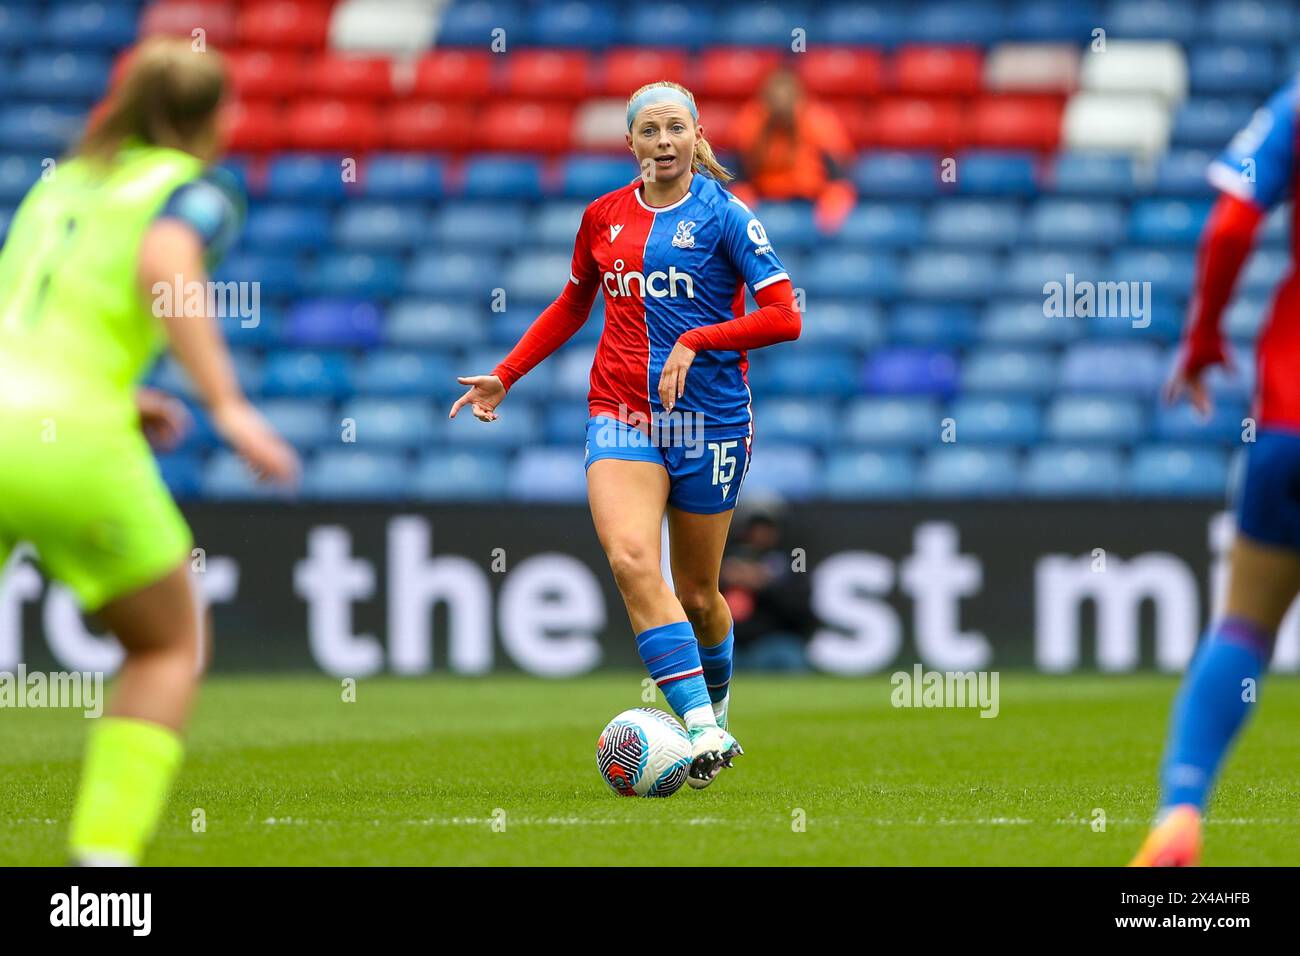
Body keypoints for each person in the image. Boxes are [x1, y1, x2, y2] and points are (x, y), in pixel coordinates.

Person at [0, 38, 300, 866]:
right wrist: (231, 409)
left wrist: (125, 391)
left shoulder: (66, 184)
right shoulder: (190, 192)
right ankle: (102, 866)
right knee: (167, 644)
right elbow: (164, 260)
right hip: (67, 442)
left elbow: (32, 313)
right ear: (217, 117)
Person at [450, 80, 801, 788]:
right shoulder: (602, 217)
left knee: (699, 594)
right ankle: (700, 730)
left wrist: (698, 339)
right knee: (633, 556)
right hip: (622, 413)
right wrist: (507, 373)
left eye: (676, 128)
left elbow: (784, 316)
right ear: (631, 141)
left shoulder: (727, 216)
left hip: (710, 421)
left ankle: (716, 714)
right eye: (650, 130)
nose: (664, 142)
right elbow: (575, 299)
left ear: (697, 135)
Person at [1131, 77, 1300, 866]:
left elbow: (1232, 224)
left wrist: (1201, 339)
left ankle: (1181, 809)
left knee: (1243, 623)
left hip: (1290, 416)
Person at [729, 68, 857, 235]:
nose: (781, 103)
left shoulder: (820, 123)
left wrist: (831, 210)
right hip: (764, 202)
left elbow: (838, 179)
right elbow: (740, 178)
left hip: (811, 202)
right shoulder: (750, 123)